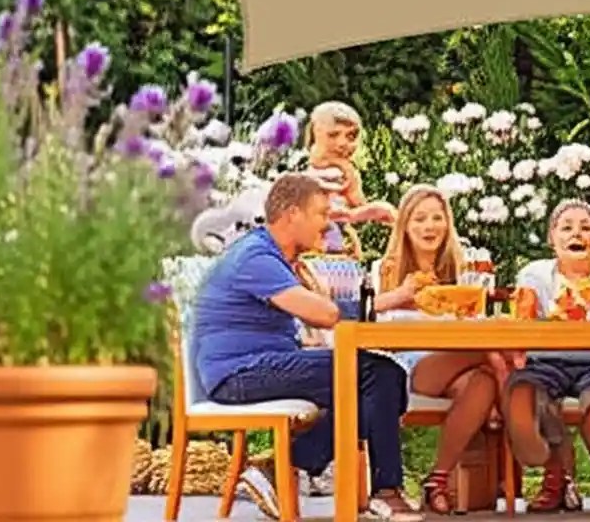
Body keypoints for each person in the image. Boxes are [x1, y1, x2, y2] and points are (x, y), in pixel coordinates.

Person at [191, 173, 421, 521]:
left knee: (380, 387)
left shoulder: (272, 256)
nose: (328, 226)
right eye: (322, 214)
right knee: (380, 374)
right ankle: (385, 491)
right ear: (291, 214)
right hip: (239, 373)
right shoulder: (255, 258)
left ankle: (281, 464)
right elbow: (326, 314)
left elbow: (319, 317)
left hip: (258, 365)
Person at [369, 184, 516, 514]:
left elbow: (473, 319)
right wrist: (402, 294)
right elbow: (369, 312)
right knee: (492, 351)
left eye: (437, 218)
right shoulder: (387, 268)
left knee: (483, 382)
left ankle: (437, 479)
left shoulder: (460, 271)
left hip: (457, 362)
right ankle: (506, 375)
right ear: (405, 225)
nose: (429, 226)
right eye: (420, 219)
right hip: (406, 364)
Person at [504, 199, 590, 513]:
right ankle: (556, 477)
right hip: (546, 363)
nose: (576, 233)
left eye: (585, 227)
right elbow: (523, 324)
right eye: (566, 228)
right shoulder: (533, 275)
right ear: (552, 239)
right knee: (521, 402)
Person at [303, 100, 396, 256]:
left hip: (340, 244)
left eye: (351, 136)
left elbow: (357, 204)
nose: (342, 143)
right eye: (333, 135)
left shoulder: (347, 172)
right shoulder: (303, 171)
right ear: (315, 133)